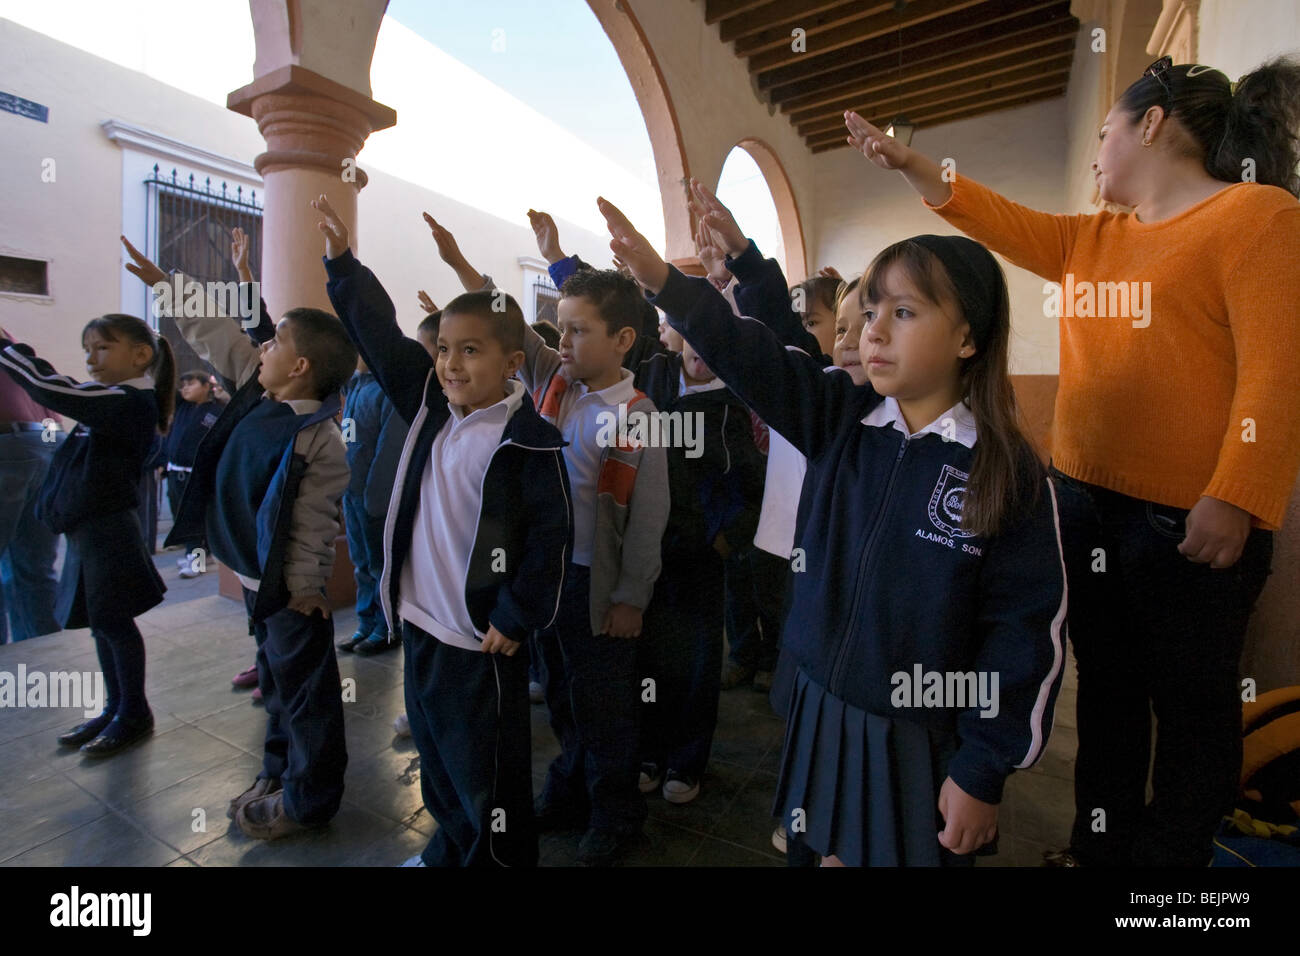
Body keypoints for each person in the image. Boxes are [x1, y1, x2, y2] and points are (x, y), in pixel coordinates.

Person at [845, 54, 1300, 867]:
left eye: (1103, 132)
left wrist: (1236, 493)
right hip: (1083, 507)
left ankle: (1166, 884)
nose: (1095, 153)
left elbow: (1278, 369)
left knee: (1194, 717)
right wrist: (912, 161)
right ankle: (1102, 848)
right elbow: (997, 219)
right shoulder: (1093, 238)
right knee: (1112, 702)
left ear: (1150, 123)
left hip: (1188, 522)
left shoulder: (1255, 215)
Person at [600, 195, 1068, 866]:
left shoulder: (1005, 472)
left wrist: (983, 767)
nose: (872, 332)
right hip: (820, 712)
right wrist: (671, 286)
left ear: (969, 338)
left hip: (918, 740)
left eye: (903, 313)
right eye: (870, 311)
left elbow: (1025, 633)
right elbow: (753, 354)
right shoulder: (843, 418)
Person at [316, 195, 572, 867]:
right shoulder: (434, 408)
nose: (450, 365)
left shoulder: (529, 442)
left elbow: (550, 541)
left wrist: (516, 616)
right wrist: (343, 265)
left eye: (470, 352)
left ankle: (498, 859)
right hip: (423, 625)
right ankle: (450, 849)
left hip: (480, 640)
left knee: (486, 773)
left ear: (513, 362)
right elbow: (382, 336)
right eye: (444, 351)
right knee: (437, 762)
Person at [122, 235, 354, 840]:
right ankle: (278, 774)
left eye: (276, 342)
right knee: (277, 689)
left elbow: (312, 523)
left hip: (288, 591)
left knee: (307, 699)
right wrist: (165, 285)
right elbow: (215, 332)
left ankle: (310, 800)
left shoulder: (317, 436)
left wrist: (304, 588)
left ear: (299, 366)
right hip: (257, 582)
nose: (263, 347)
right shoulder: (259, 388)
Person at [0, 314, 173, 755]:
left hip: (110, 530)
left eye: (102, 348)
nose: (91, 359)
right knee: (103, 624)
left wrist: (8, 350)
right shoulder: (113, 400)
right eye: (88, 350)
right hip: (89, 530)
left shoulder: (130, 403)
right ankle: (115, 707)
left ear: (140, 355)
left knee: (115, 624)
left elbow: (49, 388)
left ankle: (134, 712)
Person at [337, 355, 407, 656]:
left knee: (380, 567)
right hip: (351, 491)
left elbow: (388, 452)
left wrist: (375, 499)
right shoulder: (354, 386)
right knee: (361, 564)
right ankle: (366, 623)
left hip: (374, 498)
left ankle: (388, 627)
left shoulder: (387, 390)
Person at [0, 325, 65, 643]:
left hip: (8, 444)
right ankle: (43, 658)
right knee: (34, 567)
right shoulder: (9, 339)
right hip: (46, 440)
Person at [163, 370, 223, 579]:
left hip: (196, 475)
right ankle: (198, 555)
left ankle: (197, 561)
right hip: (175, 472)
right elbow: (166, 387)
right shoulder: (183, 407)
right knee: (182, 518)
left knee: (195, 521)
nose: (185, 388)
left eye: (191, 383)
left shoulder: (217, 411)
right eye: (183, 385)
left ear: (207, 386)